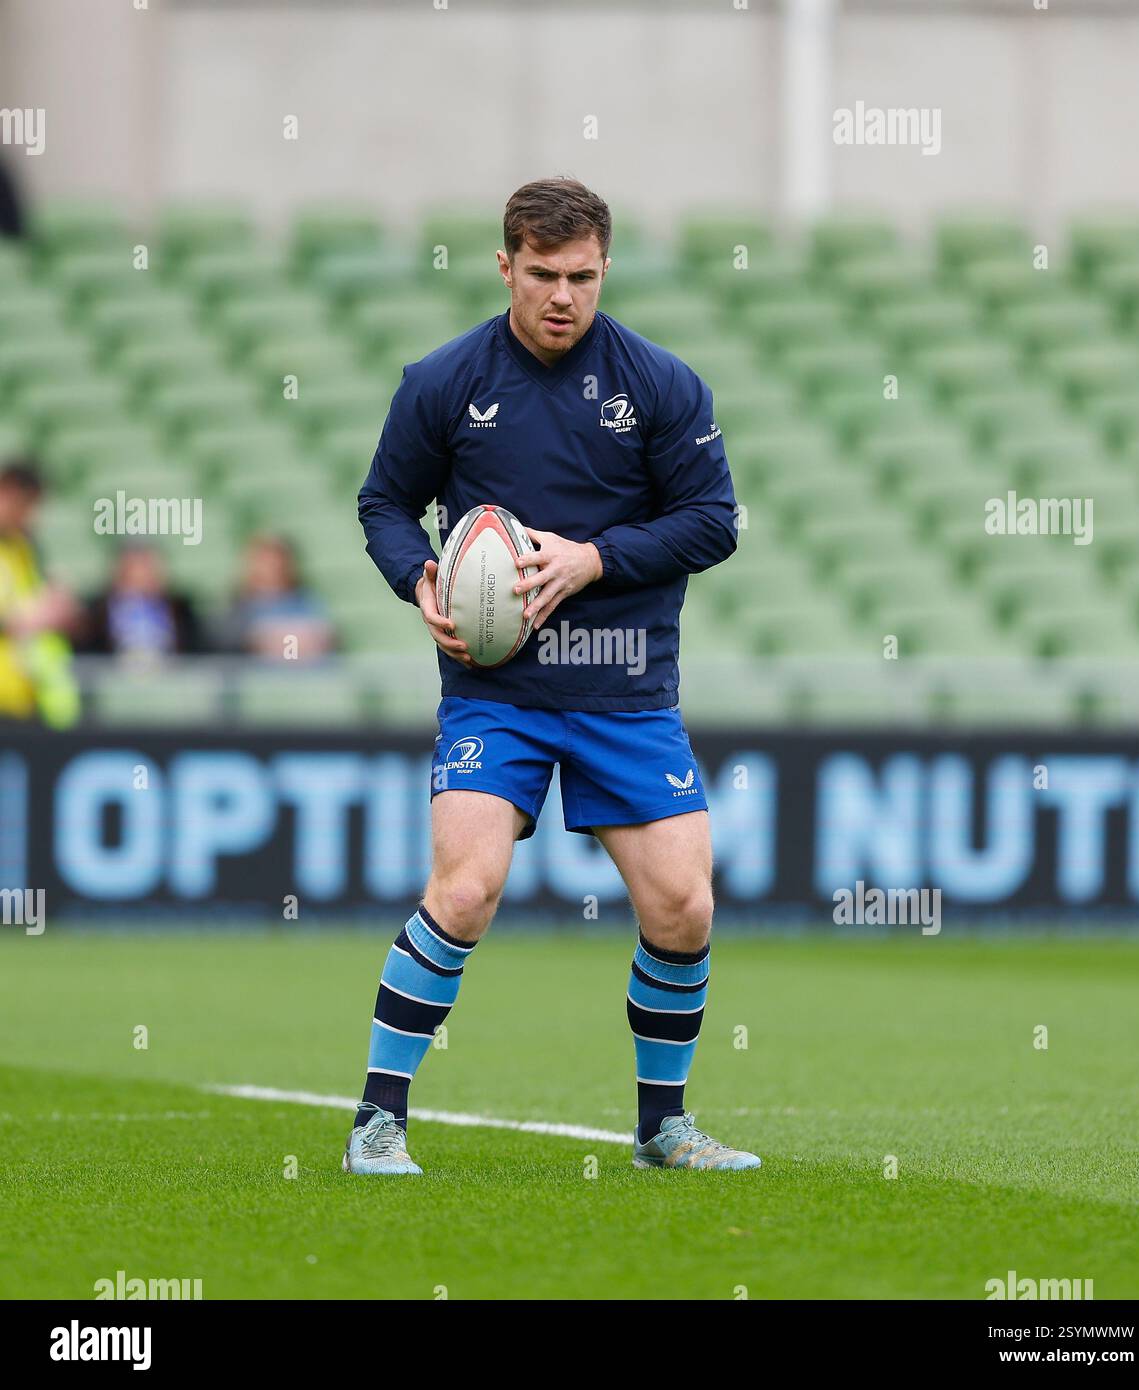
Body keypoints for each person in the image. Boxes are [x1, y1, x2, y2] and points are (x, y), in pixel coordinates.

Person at [349, 177, 756, 1175]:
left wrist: (593, 559)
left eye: (581, 276)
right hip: (498, 690)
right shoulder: (443, 381)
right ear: (505, 267)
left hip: (626, 686)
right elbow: (384, 504)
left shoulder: (662, 385)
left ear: (604, 267)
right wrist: (417, 577)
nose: (562, 296)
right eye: (541, 274)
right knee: (466, 889)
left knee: (684, 907)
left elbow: (714, 522)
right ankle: (376, 1122)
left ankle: (661, 1128)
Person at [0, 460, 80, 726]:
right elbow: (21, 617)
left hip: (24, 697)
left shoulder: (24, 549)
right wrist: (28, 619)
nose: (32, 518)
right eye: (27, 507)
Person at [221, 534, 334, 661]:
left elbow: (324, 638)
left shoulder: (306, 601)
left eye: (276, 561)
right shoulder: (240, 608)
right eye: (265, 562)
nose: (272, 567)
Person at [80, 543, 203, 657]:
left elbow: (199, 653)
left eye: (146, 570)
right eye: (131, 573)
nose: (139, 579)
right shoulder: (95, 614)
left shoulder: (182, 611)